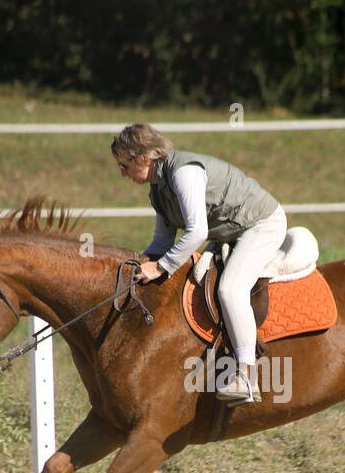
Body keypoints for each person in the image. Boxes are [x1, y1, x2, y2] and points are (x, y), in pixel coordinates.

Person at [112, 122, 286, 404]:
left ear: (143, 158)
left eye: (123, 165)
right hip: (229, 233)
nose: (122, 173)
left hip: (261, 225)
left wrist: (160, 267)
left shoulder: (184, 173)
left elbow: (197, 232)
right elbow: (160, 244)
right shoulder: (158, 190)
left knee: (230, 289)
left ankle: (246, 376)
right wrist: (137, 266)